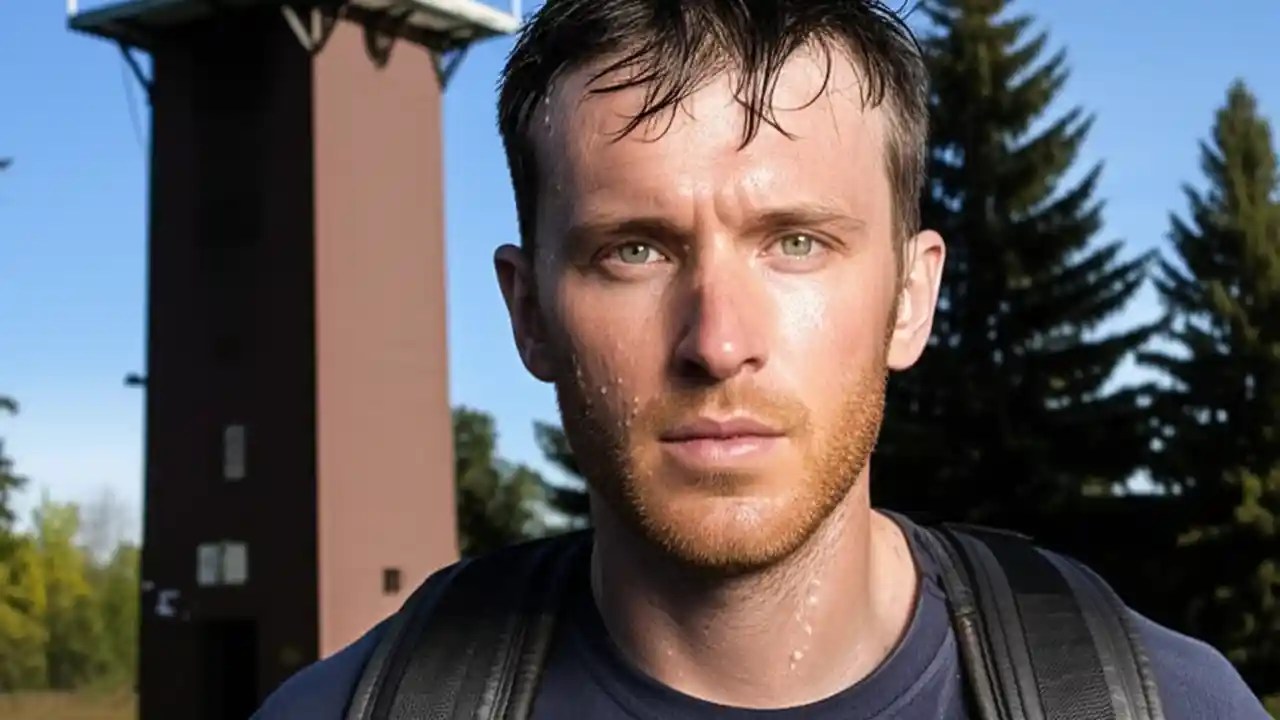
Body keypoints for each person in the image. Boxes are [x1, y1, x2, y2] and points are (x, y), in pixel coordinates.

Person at [254, 1, 1270, 717]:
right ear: (528, 314)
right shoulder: (348, 711)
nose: (717, 341)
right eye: (635, 250)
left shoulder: (1160, 705)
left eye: (795, 243)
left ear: (910, 297)